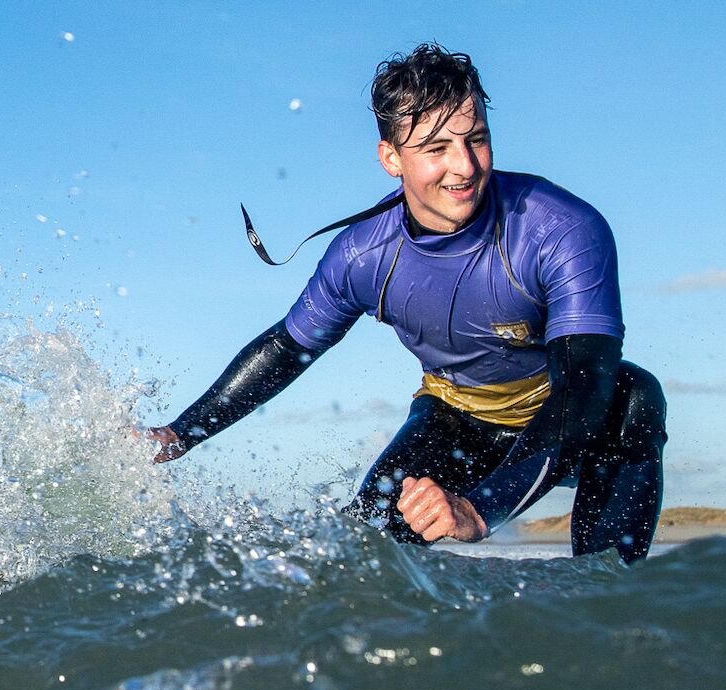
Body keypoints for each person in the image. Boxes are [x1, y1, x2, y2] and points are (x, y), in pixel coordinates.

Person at [145, 43, 668, 563]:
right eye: (436, 149)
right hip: (456, 418)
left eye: (477, 140)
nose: (463, 167)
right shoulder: (363, 254)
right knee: (362, 551)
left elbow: (584, 388)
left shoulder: (559, 228)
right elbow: (287, 348)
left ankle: (609, 602)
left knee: (636, 399)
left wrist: (479, 509)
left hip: (572, 415)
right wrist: (177, 434)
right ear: (391, 157)